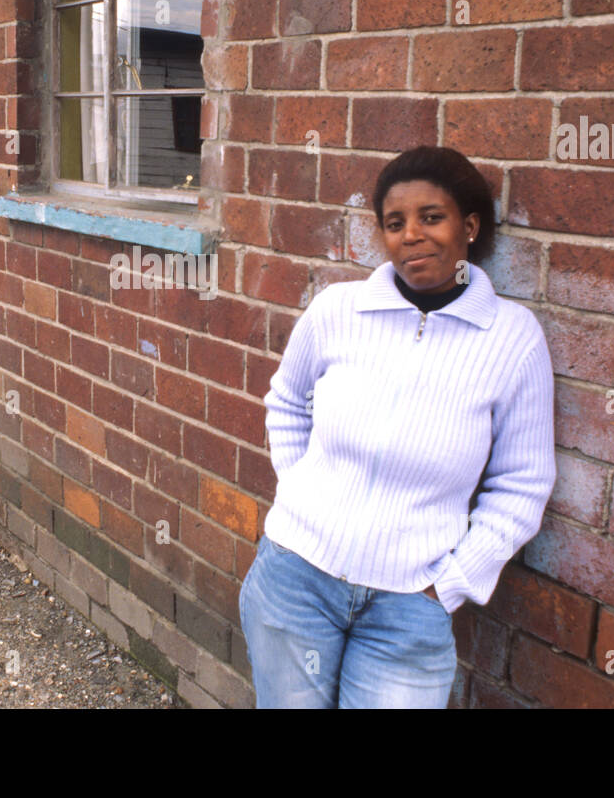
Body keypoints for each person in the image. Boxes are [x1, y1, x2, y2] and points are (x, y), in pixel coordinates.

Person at [239, 145, 557, 708]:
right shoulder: (338, 309)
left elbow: (522, 484)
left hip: (410, 605)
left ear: (470, 226)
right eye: (394, 223)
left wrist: (449, 585)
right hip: (294, 579)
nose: (411, 235)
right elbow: (287, 402)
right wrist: (301, 493)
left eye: (431, 217)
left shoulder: (511, 338)